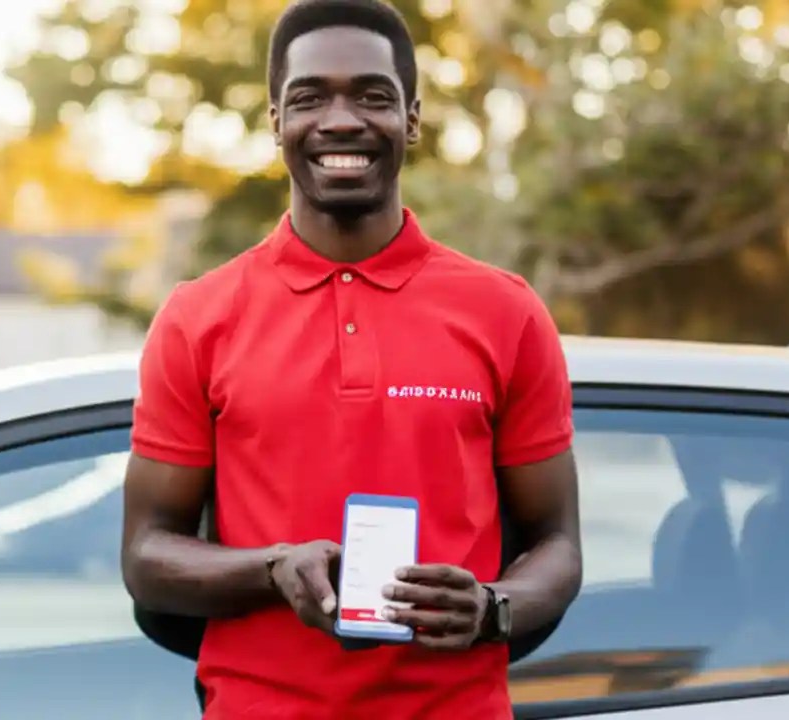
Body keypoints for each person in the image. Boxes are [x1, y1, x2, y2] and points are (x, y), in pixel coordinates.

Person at [120, 0, 583, 717]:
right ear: (276, 120)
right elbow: (147, 556)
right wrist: (273, 569)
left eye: (373, 96)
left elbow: (558, 544)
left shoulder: (507, 312)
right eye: (310, 98)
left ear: (413, 118)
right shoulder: (197, 318)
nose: (341, 121)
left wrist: (492, 607)